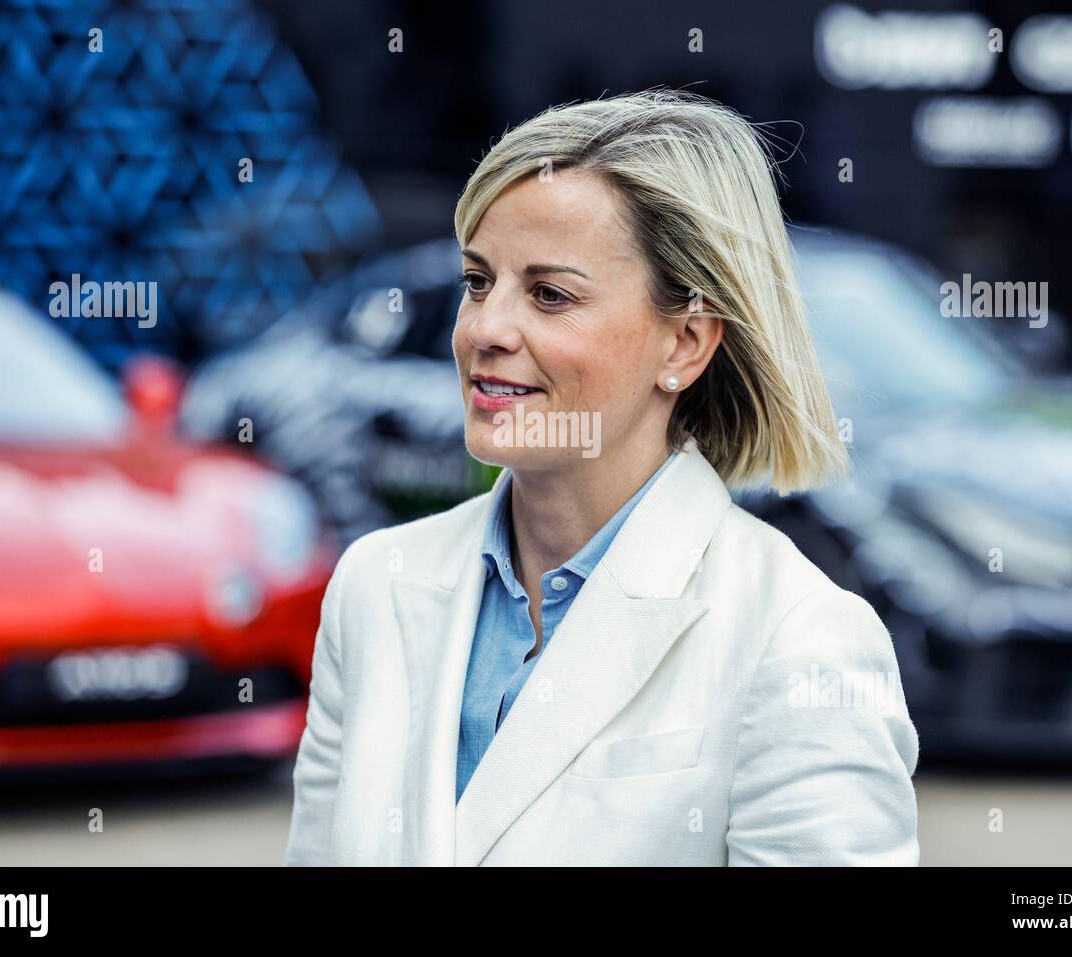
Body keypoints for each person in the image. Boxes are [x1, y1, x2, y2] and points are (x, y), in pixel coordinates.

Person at [285, 88, 919, 866]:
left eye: (550, 295)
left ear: (685, 344)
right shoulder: (373, 585)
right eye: (478, 281)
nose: (485, 329)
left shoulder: (800, 637)